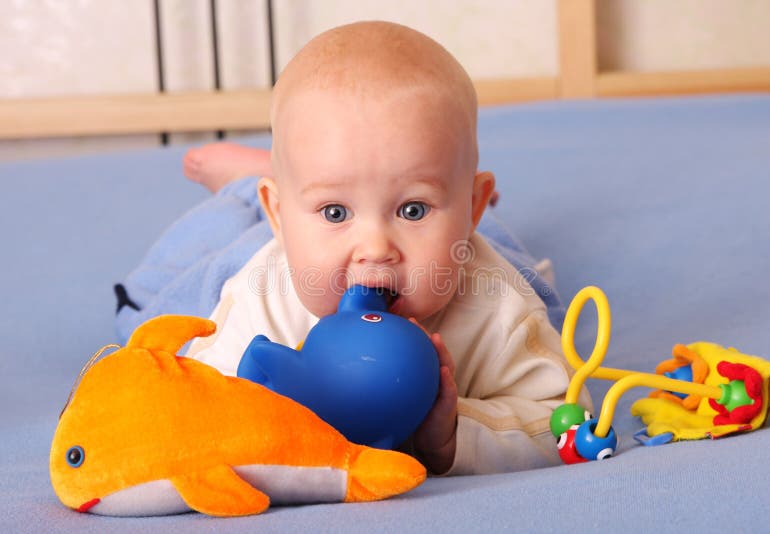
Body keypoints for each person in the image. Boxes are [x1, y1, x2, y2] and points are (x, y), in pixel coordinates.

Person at [166, 21, 589, 475]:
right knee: (199, 261)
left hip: (464, 252)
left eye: (412, 210)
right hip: (284, 238)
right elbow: (197, 402)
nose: (374, 249)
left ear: (472, 209)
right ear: (280, 214)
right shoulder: (262, 296)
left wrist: (453, 433)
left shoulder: (499, 308)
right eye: (335, 212)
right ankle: (245, 184)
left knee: (522, 267)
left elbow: (566, 423)